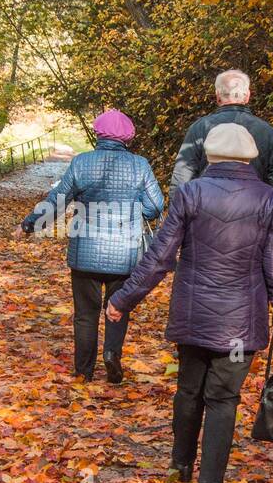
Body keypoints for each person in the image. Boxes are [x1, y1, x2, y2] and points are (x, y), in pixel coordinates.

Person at [106, 123, 273, 483]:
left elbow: (160, 256)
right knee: (224, 399)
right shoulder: (268, 199)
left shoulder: (190, 194)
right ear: (249, 157)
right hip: (242, 326)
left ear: (209, 156)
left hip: (193, 318)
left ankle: (180, 464)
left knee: (189, 391)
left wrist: (124, 298)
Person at [15, 110, 164, 384]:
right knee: (117, 308)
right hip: (125, 254)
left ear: (98, 133)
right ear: (127, 137)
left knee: (85, 314)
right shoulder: (140, 165)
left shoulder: (81, 163)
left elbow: (57, 200)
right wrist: (134, 208)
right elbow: (155, 206)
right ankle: (111, 354)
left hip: (86, 254)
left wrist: (29, 225)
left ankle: (84, 371)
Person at [169, 68, 273, 199]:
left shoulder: (199, 129)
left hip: (207, 209)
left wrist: (181, 211)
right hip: (254, 208)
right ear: (247, 96)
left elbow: (182, 175)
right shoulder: (266, 131)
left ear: (217, 96)